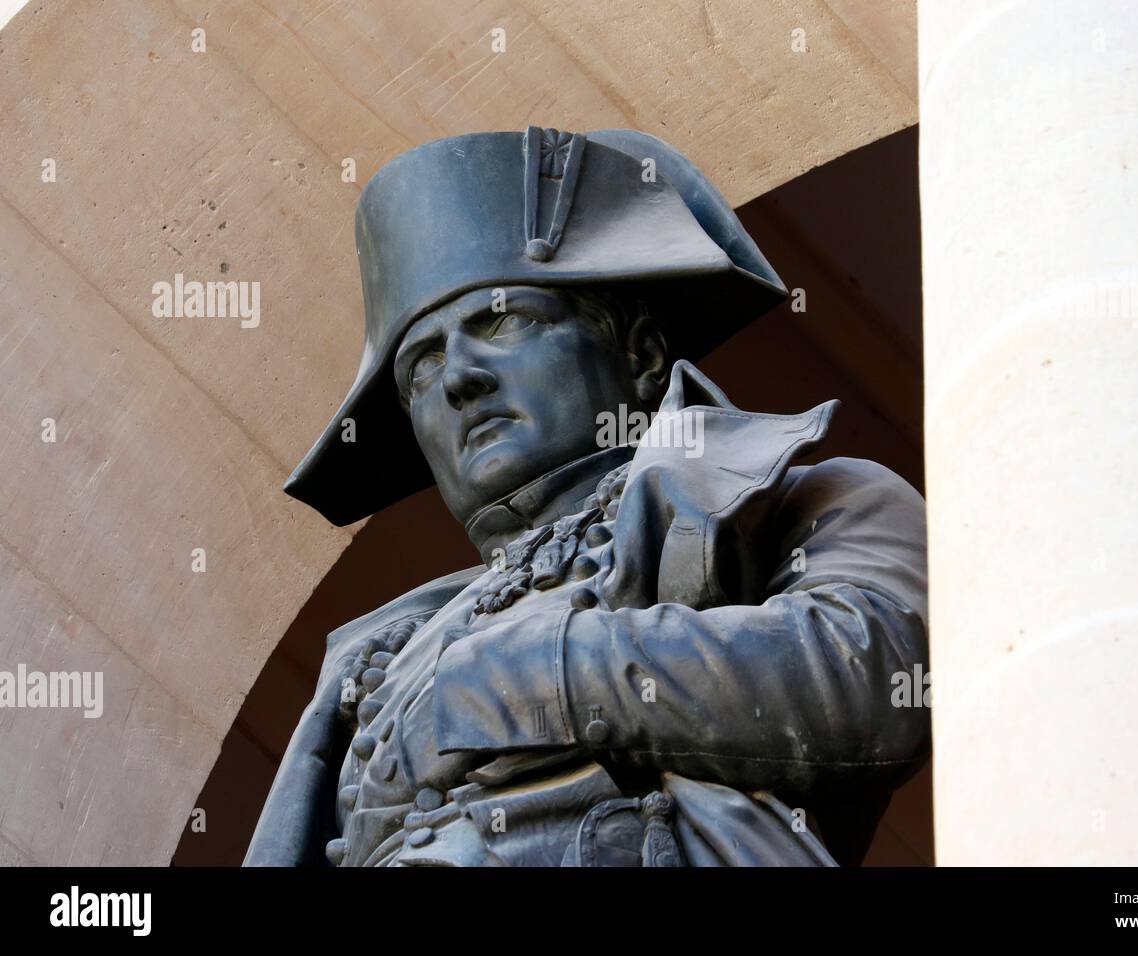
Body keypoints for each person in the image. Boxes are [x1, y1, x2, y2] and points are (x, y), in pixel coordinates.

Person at [245, 127, 929, 866]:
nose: (457, 378)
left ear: (638, 353)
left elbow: (879, 675)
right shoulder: (371, 659)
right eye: (420, 365)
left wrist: (512, 675)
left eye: (504, 320)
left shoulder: (792, 493)